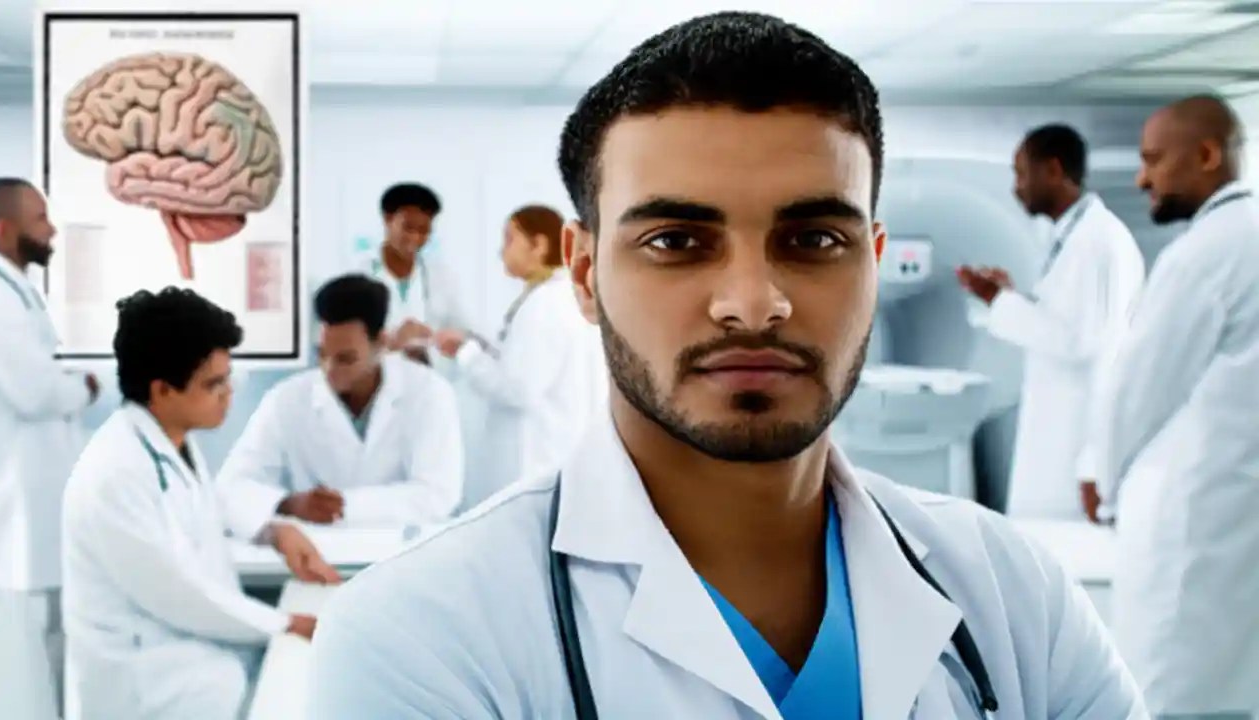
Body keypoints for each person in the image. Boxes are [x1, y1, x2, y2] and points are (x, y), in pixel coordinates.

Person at [307, 13, 1143, 719]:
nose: (753, 302)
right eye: (676, 241)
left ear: (874, 264)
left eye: (815, 239)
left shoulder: (1015, 596)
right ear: (587, 273)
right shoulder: (420, 633)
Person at [61, 287, 338, 720]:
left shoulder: (166, 443)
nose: (228, 393)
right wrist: (286, 624)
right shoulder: (115, 473)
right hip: (146, 683)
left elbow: (202, 519)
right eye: (214, 384)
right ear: (162, 390)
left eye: (227, 378)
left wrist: (275, 531)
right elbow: (176, 591)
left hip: (192, 660)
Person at [1093, 94, 1259, 717]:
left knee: (1165, 686)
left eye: (1154, 160)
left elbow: (1140, 384)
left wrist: (1103, 481)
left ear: (1209, 155)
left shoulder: (1205, 253)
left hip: (1196, 510)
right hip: (1238, 508)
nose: (1143, 178)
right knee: (1229, 685)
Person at [956, 125, 1144, 522]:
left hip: (1076, 438)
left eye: (1022, 173)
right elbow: (1066, 322)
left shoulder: (1098, 241)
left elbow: (1080, 341)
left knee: (1066, 554)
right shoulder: (1075, 238)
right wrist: (1013, 297)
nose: (1016, 187)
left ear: (1054, 170)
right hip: (1060, 427)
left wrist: (999, 302)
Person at [0, 177, 99, 711]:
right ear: (5, 229)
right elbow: (32, 390)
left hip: (40, 495)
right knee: (24, 651)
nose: (51, 231)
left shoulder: (14, 291)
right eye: (39, 220)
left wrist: (68, 385)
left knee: (49, 641)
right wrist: (84, 386)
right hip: (16, 499)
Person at [217, 274, 464, 532]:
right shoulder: (286, 400)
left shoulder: (429, 393)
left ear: (380, 343)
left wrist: (342, 506)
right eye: (322, 354)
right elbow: (231, 487)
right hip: (317, 558)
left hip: (401, 555)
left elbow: (438, 495)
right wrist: (288, 504)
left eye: (346, 359)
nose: (329, 369)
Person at [431, 205, 604, 505]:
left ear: (538, 245)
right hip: (552, 457)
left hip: (532, 462)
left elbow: (520, 390)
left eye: (510, 239)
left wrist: (465, 353)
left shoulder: (544, 304)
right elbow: (526, 367)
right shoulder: (558, 297)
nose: (501, 251)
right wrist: (482, 348)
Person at [366, 183, 468, 363]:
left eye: (424, 231)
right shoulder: (361, 274)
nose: (415, 238)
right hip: (377, 383)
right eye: (408, 228)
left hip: (429, 380)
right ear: (387, 219)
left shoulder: (442, 277)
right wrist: (392, 343)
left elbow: (462, 331)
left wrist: (444, 338)